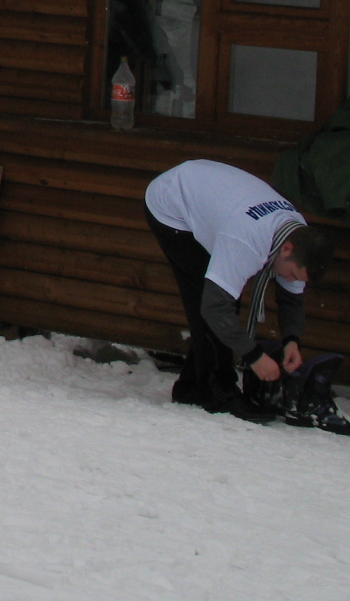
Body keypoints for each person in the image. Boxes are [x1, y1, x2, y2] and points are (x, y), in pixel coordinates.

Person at [143, 158, 334, 419]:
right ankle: (218, 394)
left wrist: (292, 340)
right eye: (291, 272)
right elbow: (214, 308)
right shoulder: (247, 240)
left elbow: (291, 298)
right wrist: (254, 356)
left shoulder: (296, 235)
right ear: (286, 249)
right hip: (171, 203)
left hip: (210, 192)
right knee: (212, 300)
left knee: (222, 300)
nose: (289, 277)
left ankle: (190, 387)